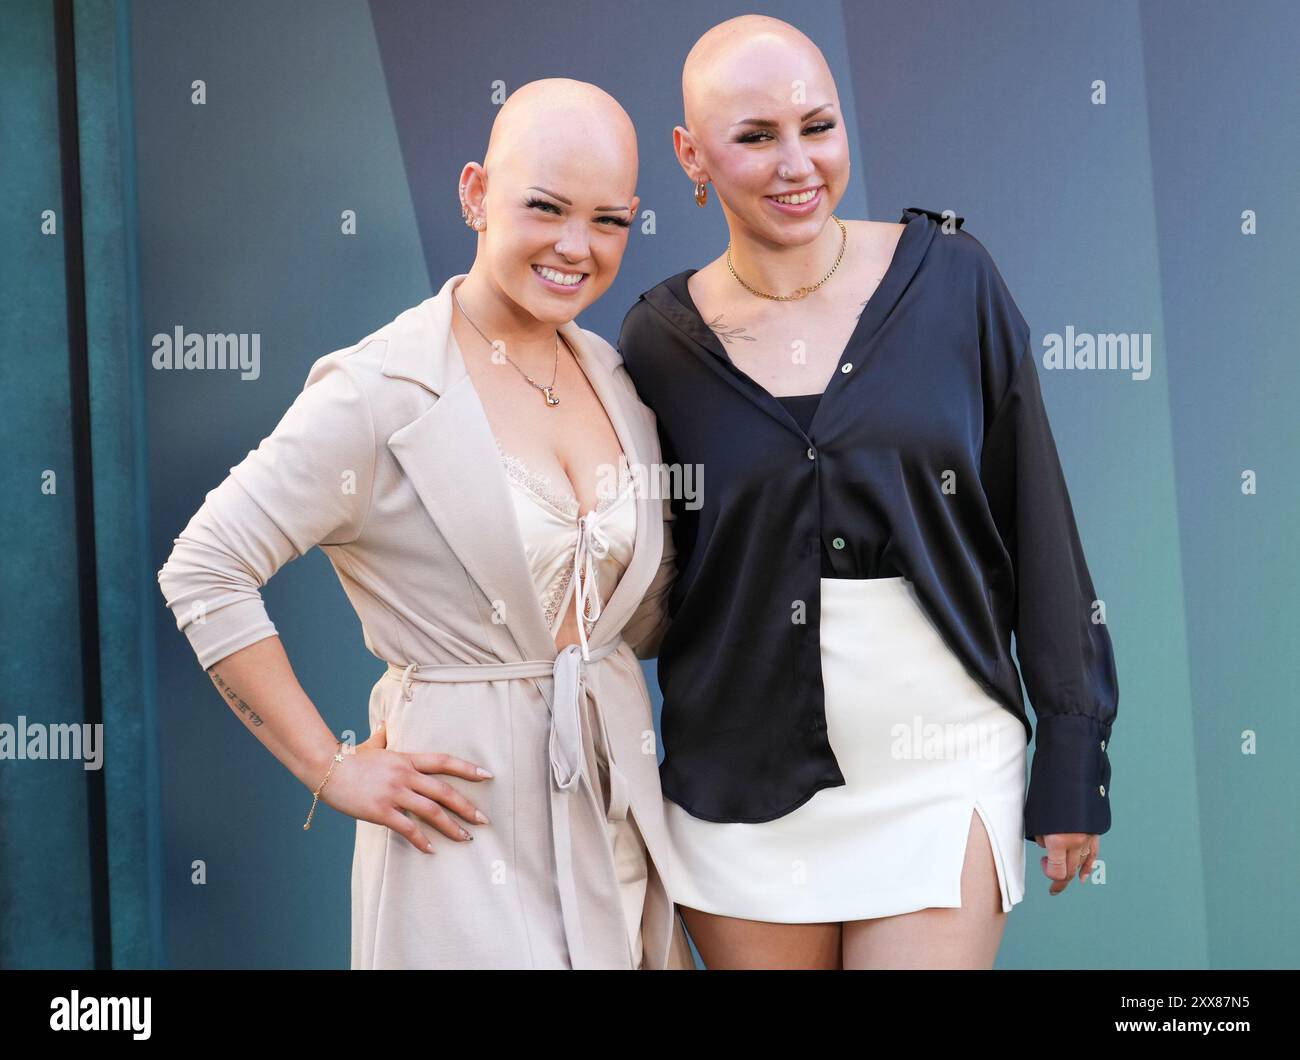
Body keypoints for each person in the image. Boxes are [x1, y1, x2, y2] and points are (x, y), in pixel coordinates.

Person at [617, 15, 1119, 969]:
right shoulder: (657, 343)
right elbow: (644, 569)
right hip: (739, 788)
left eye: (819, 125)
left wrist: (1072, 750)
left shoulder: (954, 280)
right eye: (755, 137)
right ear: (691, 155)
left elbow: (1040, 523)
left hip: (940, 774)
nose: (796, 163)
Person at [157, 78, 694, 970]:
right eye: (545, 208)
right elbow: (205, 568)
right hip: (461, 824)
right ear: (477, 193)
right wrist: (329, 767)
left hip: (614, 811)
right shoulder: (377, 390)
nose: (576, 247)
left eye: (608, 220)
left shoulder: (612, 372)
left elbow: (634, 614)